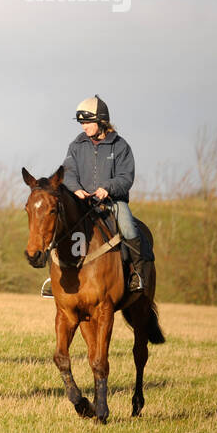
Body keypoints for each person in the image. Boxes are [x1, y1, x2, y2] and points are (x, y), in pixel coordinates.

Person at [61, 94, 151, 291]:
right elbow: (67, 172)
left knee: (127, 227)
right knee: (58, 227)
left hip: (112, 202)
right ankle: (57, 280)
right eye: (82, 123)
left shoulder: (120, 146)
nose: (84, 127)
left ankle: (137, 274)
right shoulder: (75, 146)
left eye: (87, 122)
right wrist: (76, 189)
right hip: (83, 203)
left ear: (101, 121)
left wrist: (107, 188)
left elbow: (125, 178)